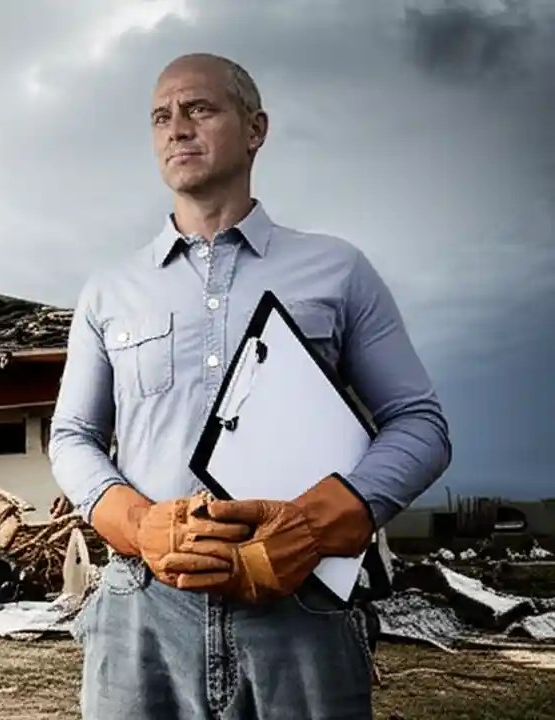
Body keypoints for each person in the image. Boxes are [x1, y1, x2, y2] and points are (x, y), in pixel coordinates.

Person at [48, 53, 452, 719]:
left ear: (256, 128)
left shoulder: (338, 271)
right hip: (143, 617)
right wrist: (141, 524)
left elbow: (420, 424)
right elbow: (73, 436)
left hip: (300, 614)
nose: (176, 127)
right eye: (160, 116)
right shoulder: (107, 291)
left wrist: (314, 527)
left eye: (199, 109)